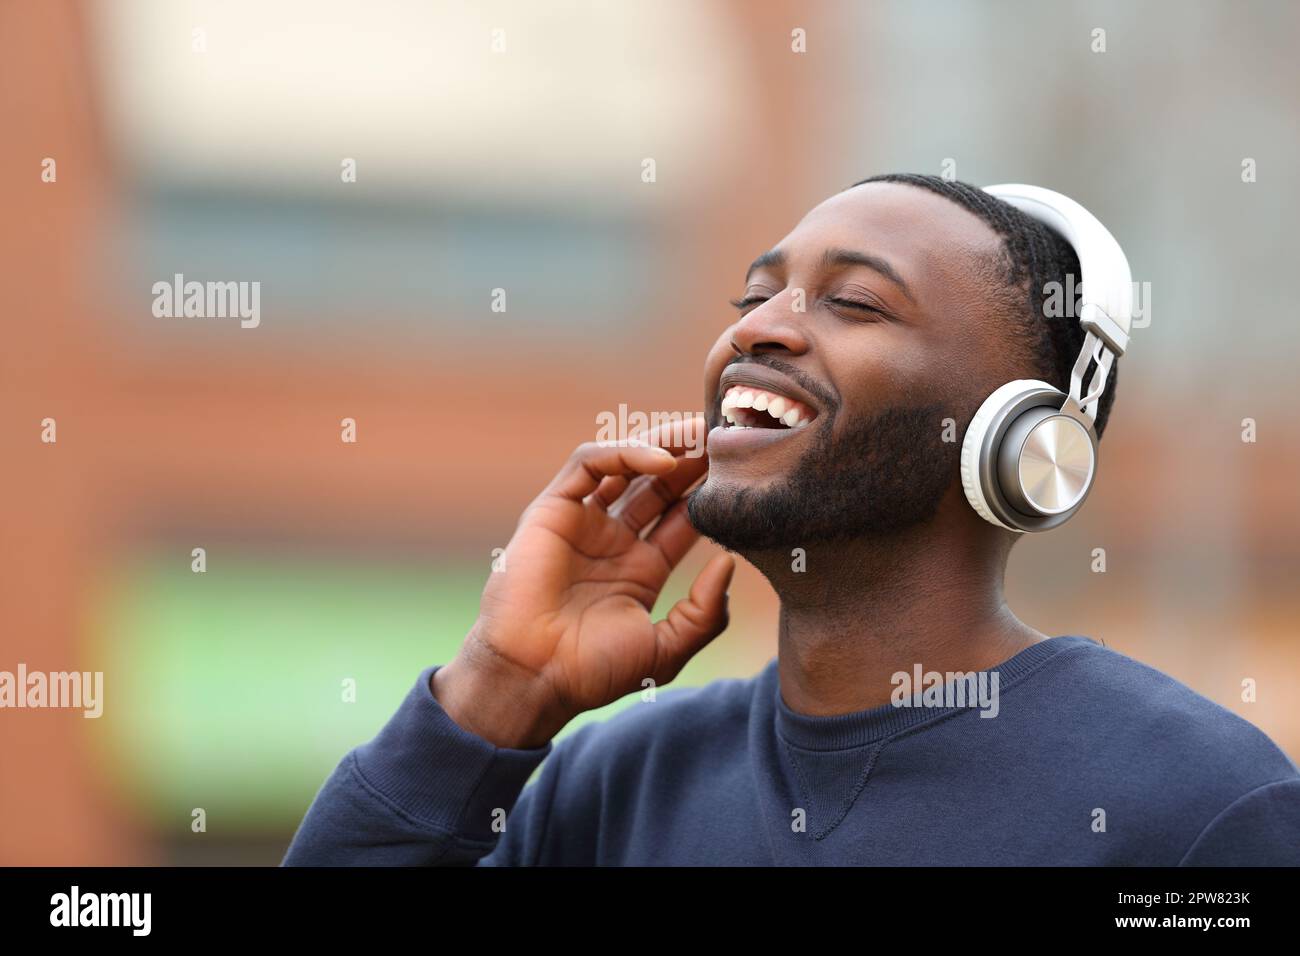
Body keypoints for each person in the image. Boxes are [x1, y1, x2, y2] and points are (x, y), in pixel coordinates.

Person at [282, 174, 1300, 865]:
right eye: (754, 295)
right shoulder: (612, 783)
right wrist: (495, 691)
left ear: (1018, 435)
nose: (758, 329)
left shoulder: (1196, 802)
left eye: (853, 303)